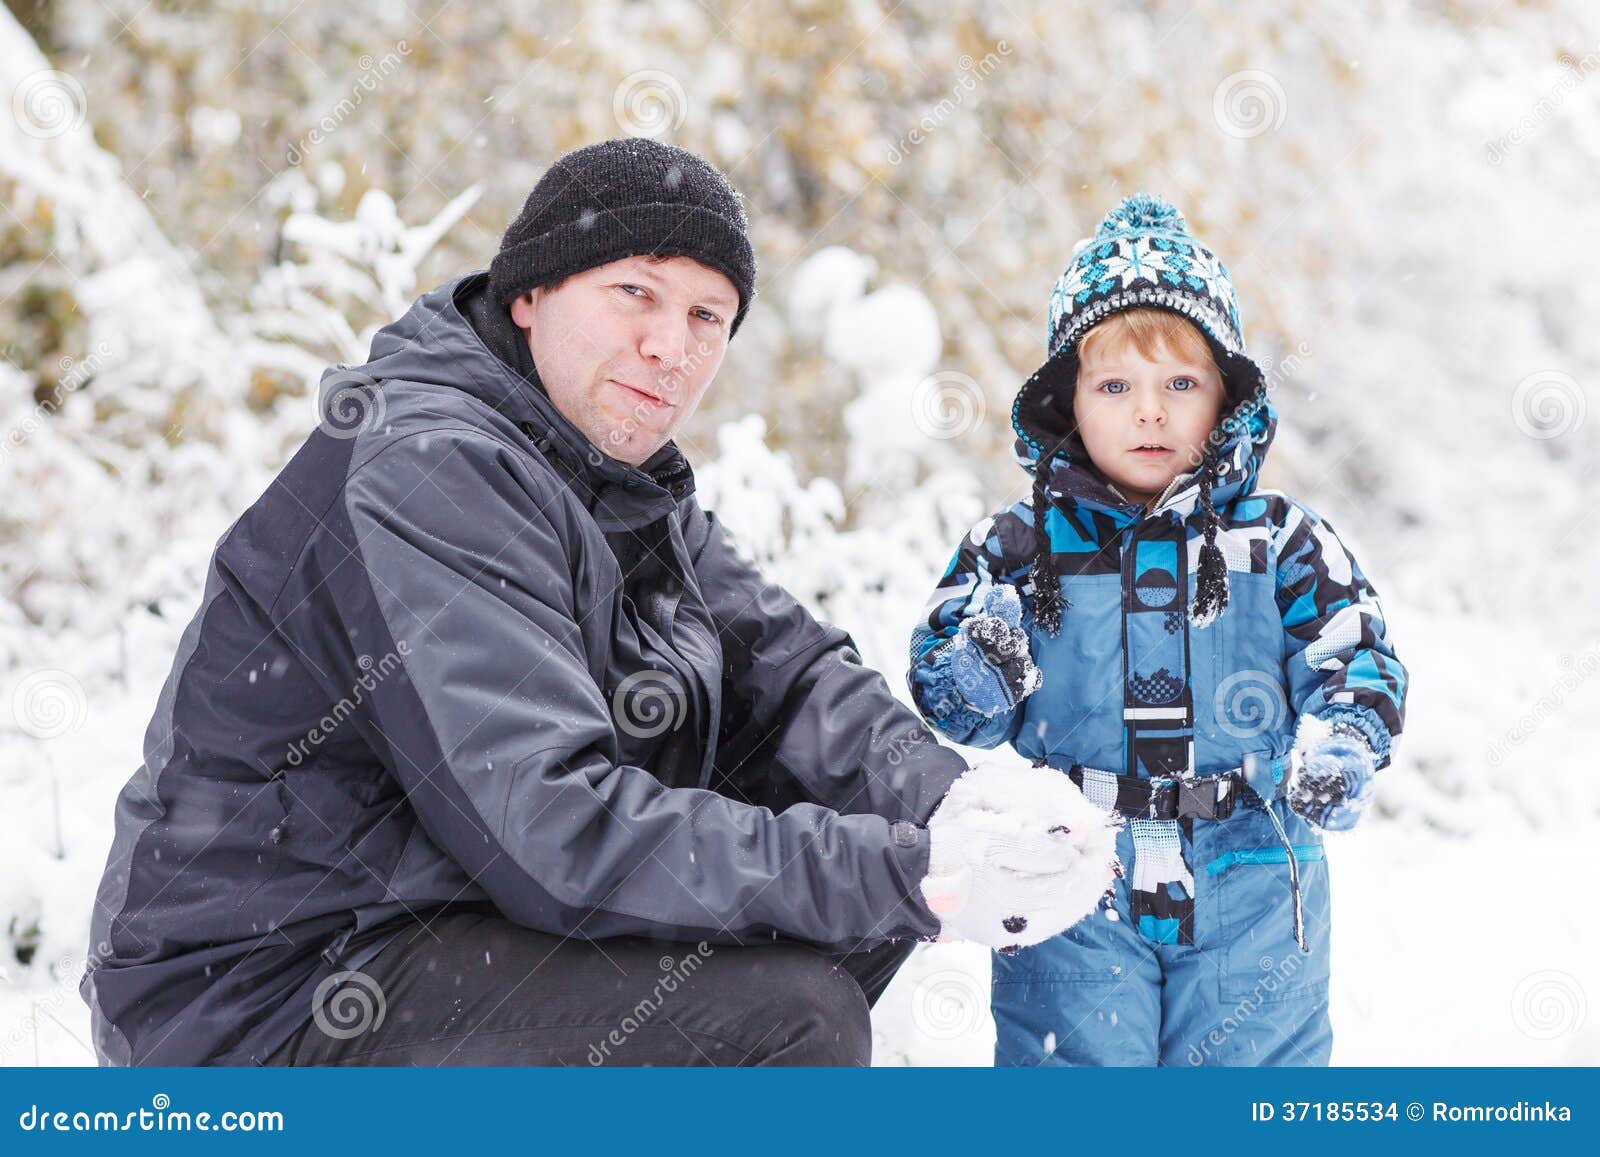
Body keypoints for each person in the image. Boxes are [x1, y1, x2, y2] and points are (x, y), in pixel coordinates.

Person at [81, 138, 1108, 1067]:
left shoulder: (618, 480)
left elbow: (790, 676)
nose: (673, 345)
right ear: (530, 295)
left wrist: (945, 802)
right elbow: (554, 823)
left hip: (434, 927)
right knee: (796, 1007)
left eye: (707, 316)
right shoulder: (429, 464)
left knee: (860, 873)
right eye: (635, 293)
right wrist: (900, 868)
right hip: (259, 998)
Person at [907, 193, 1409, 1066]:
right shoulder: (1020, 548)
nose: (1150, 412)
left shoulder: (1281, 539)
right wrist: (975, 669)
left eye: (1181, 383)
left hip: (1252, 874)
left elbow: (1354, 650)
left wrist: (1344, 736)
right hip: (1074, 873)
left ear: (1226, 401)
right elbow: (954, 696)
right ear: (1068, 402)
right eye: (1116, 386)